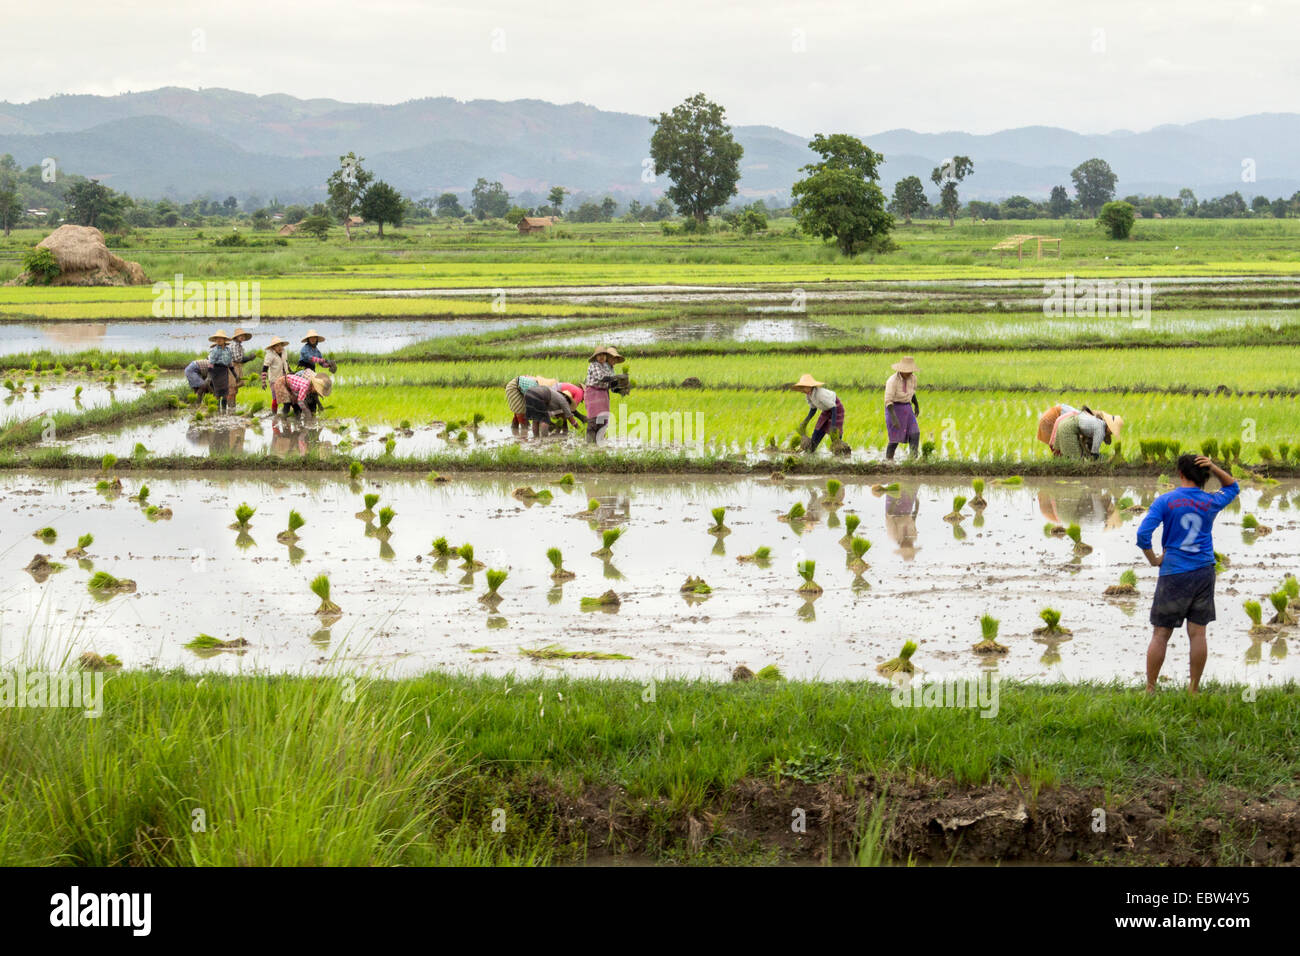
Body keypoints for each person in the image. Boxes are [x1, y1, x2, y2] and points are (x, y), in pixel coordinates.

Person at [1136, 454, 1239, 694]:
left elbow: (1142, 536)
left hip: (1174, 573)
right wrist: (1214, 467)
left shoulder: (1165, 501)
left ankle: (1150, 689)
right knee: (1198, 633)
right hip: (1204, 571)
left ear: (1181, 474)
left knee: (1161, 633)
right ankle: (1193, 690)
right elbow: (1233, 486)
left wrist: (1154, 560)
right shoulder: (1211, 501)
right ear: (1204, 475)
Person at [790, 374, 845, 453]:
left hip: (836, 408)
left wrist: (833, 425)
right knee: (818, 429)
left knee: (834, 432)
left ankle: (839, 450)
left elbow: (833, 407)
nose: (803, 389)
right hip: (826, 410)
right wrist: (805, 421)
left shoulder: (820, 394)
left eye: (805, 387)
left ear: (811, 386)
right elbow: (813, 409)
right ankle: (812, 449)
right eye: (802, 387)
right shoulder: (808, 395)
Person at [584, 346, 628, 443]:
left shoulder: (608, 368)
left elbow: (611, 386)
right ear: (595, 357)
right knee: (593, 420)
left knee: (603, 420)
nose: (601, 357)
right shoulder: (594, 365)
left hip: (603, 395)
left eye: (603, 355)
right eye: (599, 355)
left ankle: (599, 442)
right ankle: (590, 444)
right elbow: (602, 378)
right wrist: (617, 377)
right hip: (593, 394)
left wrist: (621, 390)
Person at [883, 356, 920, 460]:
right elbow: (888, 401)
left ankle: (912, 460)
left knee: (915, 433)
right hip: (894, 408)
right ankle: (888, 460)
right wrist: (894, 418)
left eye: (911, 371)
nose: (910, 373)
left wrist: (916, 405)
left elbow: (912, 392)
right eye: (907, 371)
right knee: (895, 438)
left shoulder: (913, 378)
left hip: (907, 408)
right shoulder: (892, 381)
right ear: (901, 370)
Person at [1055, 409, 1122, 459]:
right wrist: (1096, 458)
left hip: (1065, 422)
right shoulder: (1100, 429)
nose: (1111, 433)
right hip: (1068, 428)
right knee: (1076, 460)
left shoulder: (1099, 422)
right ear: (1109, 426)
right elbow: (1094, 451)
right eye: (1112, 431)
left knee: (1075, 454)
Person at [261, 337, 292, 414]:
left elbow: (286, 362)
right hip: (274, 380)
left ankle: (284, 414)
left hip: (285, 378)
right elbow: (265, 368)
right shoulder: (270, 355)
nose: (279, 347)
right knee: (276, 398)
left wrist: (290, 371)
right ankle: (274, 414)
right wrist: (263, 381)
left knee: (287, 397)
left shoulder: (284, 352)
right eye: (277, 346)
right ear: (273, 347)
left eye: (280, 345)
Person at [227, 328, 255, 410]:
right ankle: (231, 408)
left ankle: (232, 407)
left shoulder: (239, 345)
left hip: (237, 367)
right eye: (240, 336)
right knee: (231, 388)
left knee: (234, 389)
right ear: (236, 337)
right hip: (232, 368)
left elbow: (241, 360)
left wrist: (248, 358)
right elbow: (237, 359)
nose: (242, 337)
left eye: (243, 336)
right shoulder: (234, 345)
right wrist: (249, 358)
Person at [207, 330, 235, 413]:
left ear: (224, 340)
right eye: (217, 339)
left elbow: (230, 364)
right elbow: (211, 364)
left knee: (225, 393)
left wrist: (235, 375)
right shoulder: (214, 350)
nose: (218, 340)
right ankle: (217, 410)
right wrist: (209, 376)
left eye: (220, 338)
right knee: (217, 393)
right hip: (216, 372)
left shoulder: (228, 350)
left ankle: (223, 410)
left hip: (224, 372)